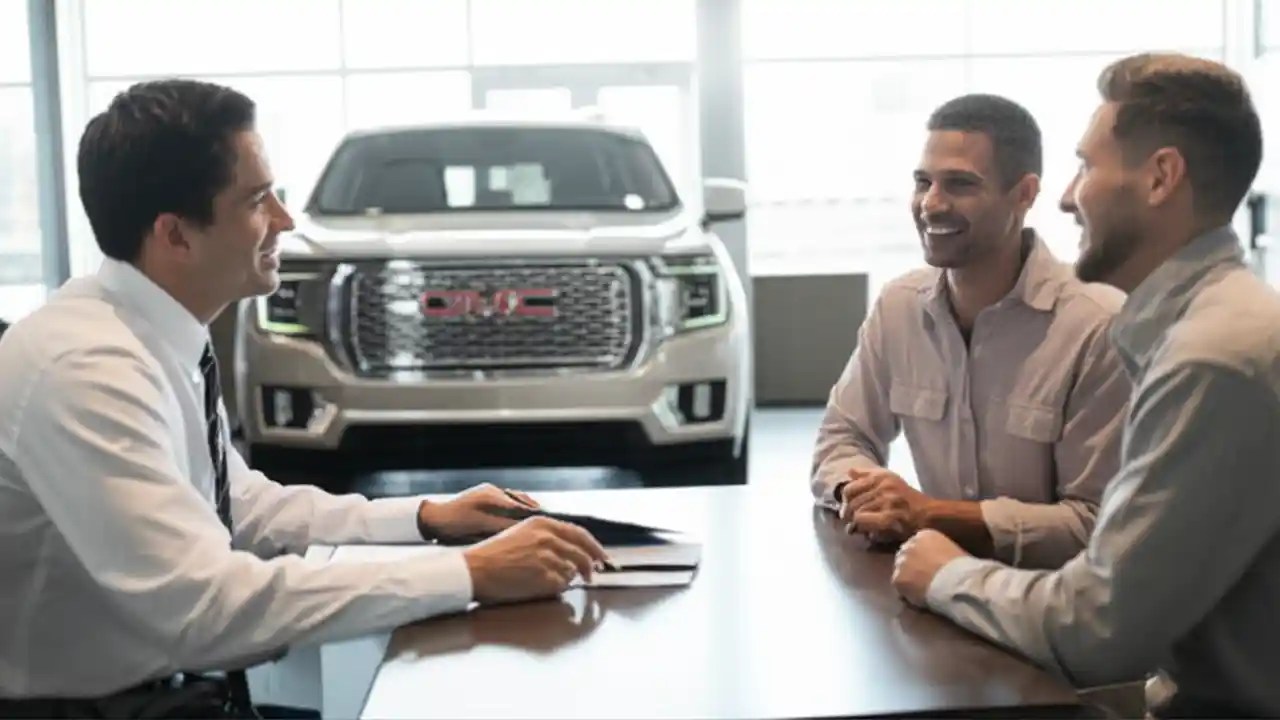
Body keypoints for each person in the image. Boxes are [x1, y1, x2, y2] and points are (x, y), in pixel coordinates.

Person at [0, 79, 609, 718]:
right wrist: (470, 575)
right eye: (258, 200)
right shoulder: (87, 367)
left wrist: (425, 518)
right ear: (175, 235)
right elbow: (206, 606)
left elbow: (238, 509)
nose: (286, 221)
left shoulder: (150, 333)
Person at [893, 53, 1280, 718]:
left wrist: (944, 574)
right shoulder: (1215, 329)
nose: (1070, 197)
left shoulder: (1212, 358)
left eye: (1087, 166)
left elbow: (1097, 631)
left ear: (1160, 177)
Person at [812, 94, 1128, 569]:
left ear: (1024, 194)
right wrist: (862, 492)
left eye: (960, 184)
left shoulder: (1096, 324)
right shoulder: (899, 306)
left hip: (1048, 611)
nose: (931, 204)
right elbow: (842, 437)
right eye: (923, 182)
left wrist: (930, 514)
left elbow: (1095, 523)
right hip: (931, 590)